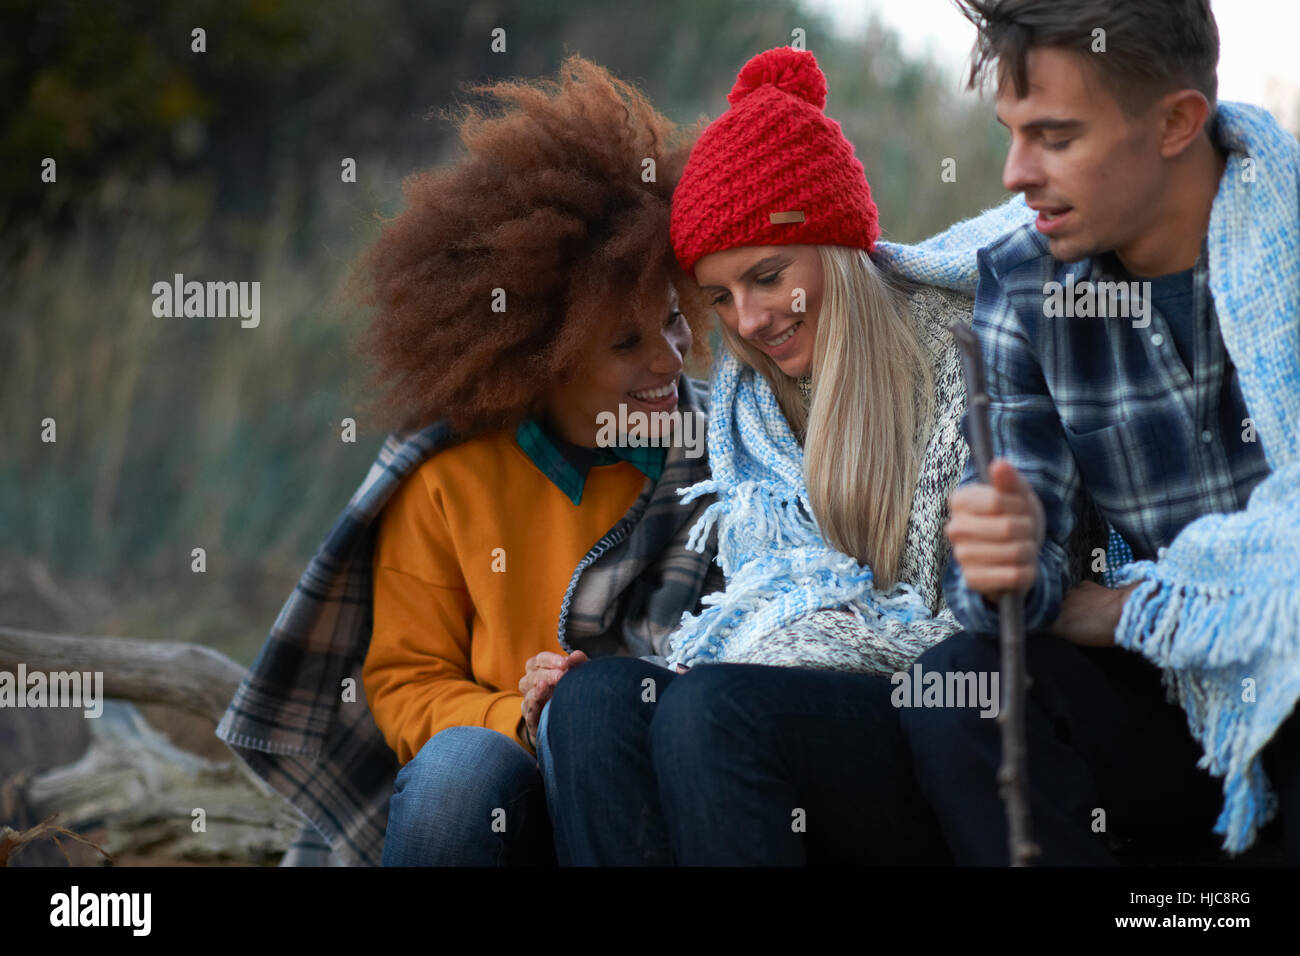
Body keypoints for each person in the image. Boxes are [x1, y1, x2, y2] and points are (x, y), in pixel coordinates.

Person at [538, 46, 1097, 865]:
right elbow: (764, 611)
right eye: (721, 297)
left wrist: (755, 660)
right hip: (802, 707)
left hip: (940, 725)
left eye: (768, 277)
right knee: (592, 702)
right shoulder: (747, 404)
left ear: (836, 245)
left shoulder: (965, 353)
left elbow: (961, 631)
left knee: (713, 709)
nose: (750, 320)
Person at [215, 55, 723, 866]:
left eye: (672, 323)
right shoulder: (445, 476)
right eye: (626, 343)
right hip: (503, 797)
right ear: (542, 354)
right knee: (457, 773)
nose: (671, 360)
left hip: (645, 791)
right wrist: (519, 714)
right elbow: (405, 684)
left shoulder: (719, 455)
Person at [903, 0, 1300, 865]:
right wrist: (999, 560)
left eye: (1054, 137)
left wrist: (1131, 609)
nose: (1013, 173)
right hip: (1174, 712)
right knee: (956, 684)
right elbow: (1023, 601)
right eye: (1010, 133)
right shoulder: (1021, 287)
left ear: (1176, 124)